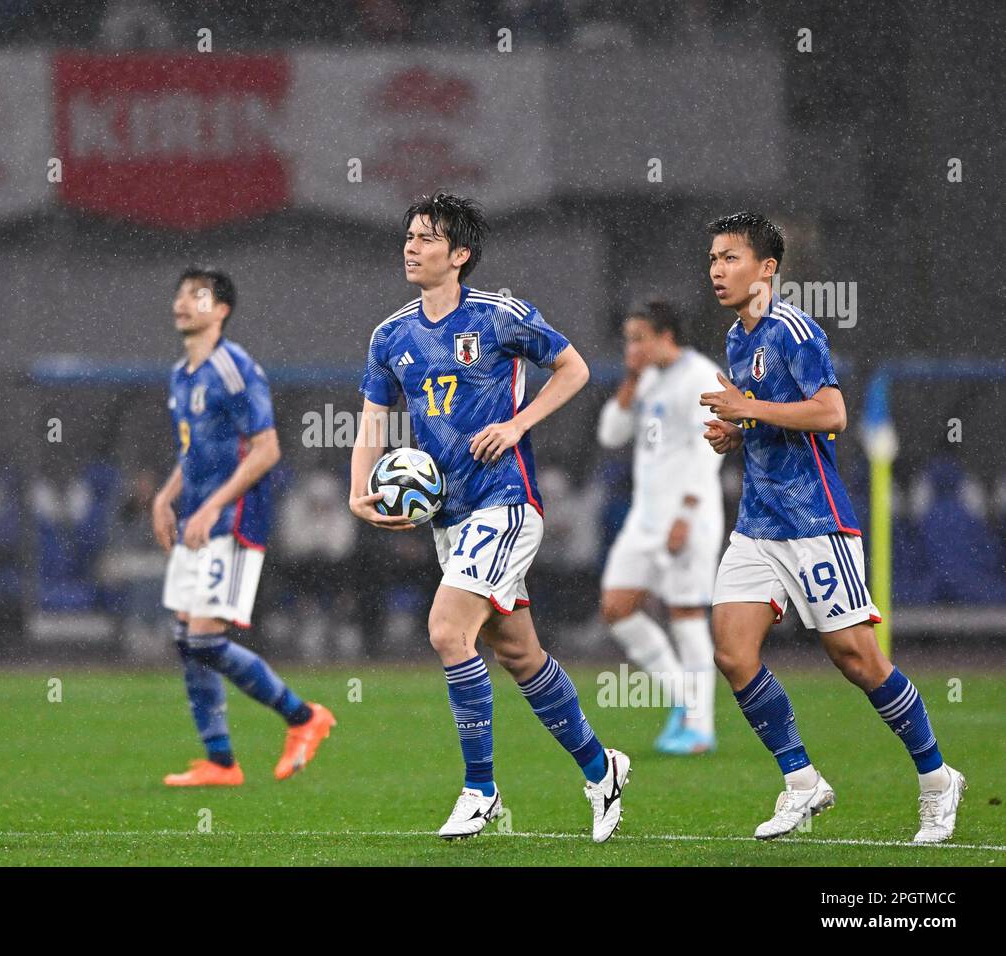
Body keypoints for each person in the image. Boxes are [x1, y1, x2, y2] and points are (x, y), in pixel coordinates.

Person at [350, 193, 631, 843]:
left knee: (448, 630)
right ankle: (602, 767)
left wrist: (516, 424)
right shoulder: (390, 336)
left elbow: (574, 368)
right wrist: (358, 488)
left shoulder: (501, 317)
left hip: (505, 503)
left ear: (460, 255)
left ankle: (480, 789)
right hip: (448, 517)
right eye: (409, 236)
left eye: (426, 238)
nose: (411, 247)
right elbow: (372, 418)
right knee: (519, 652)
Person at [701, 211, 964, 842]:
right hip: (758, 525)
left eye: (731, 257)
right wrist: (740, 432)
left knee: (857, 659)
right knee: (732, 652)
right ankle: (801, 782)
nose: (716, 269)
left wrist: (747, 408)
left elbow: (832, 414)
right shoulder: (737, 337)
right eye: (712, 258)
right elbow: (777, 417)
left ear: (767, 268)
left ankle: (936, 778)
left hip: (815, 521)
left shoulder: (796, 329)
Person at [153, 268, 335, 786]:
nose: (184, 302)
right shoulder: (181, 374)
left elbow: (267, 450)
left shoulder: (234, 369)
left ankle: (304, 717)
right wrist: (167, 497)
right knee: (186, 638)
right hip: (197, 519)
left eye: (198, 295)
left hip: (233, 519)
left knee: (206, 641)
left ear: (222, 309)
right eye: (181, 292)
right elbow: (193, 451)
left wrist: (211, 506)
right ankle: (221, 761)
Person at [597, 299, 724, 754]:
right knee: (617, 607)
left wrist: (685, 515)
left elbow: (710, 449)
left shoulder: (701, 377)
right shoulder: (647, 378)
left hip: (687, 517)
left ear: (664, 336)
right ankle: (684, 699)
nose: (631, 348)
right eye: (628, 340)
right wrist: (631, 380)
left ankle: (700, 728)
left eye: (638, 339)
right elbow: (611, 434)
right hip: (645, 519)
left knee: (686, 615)